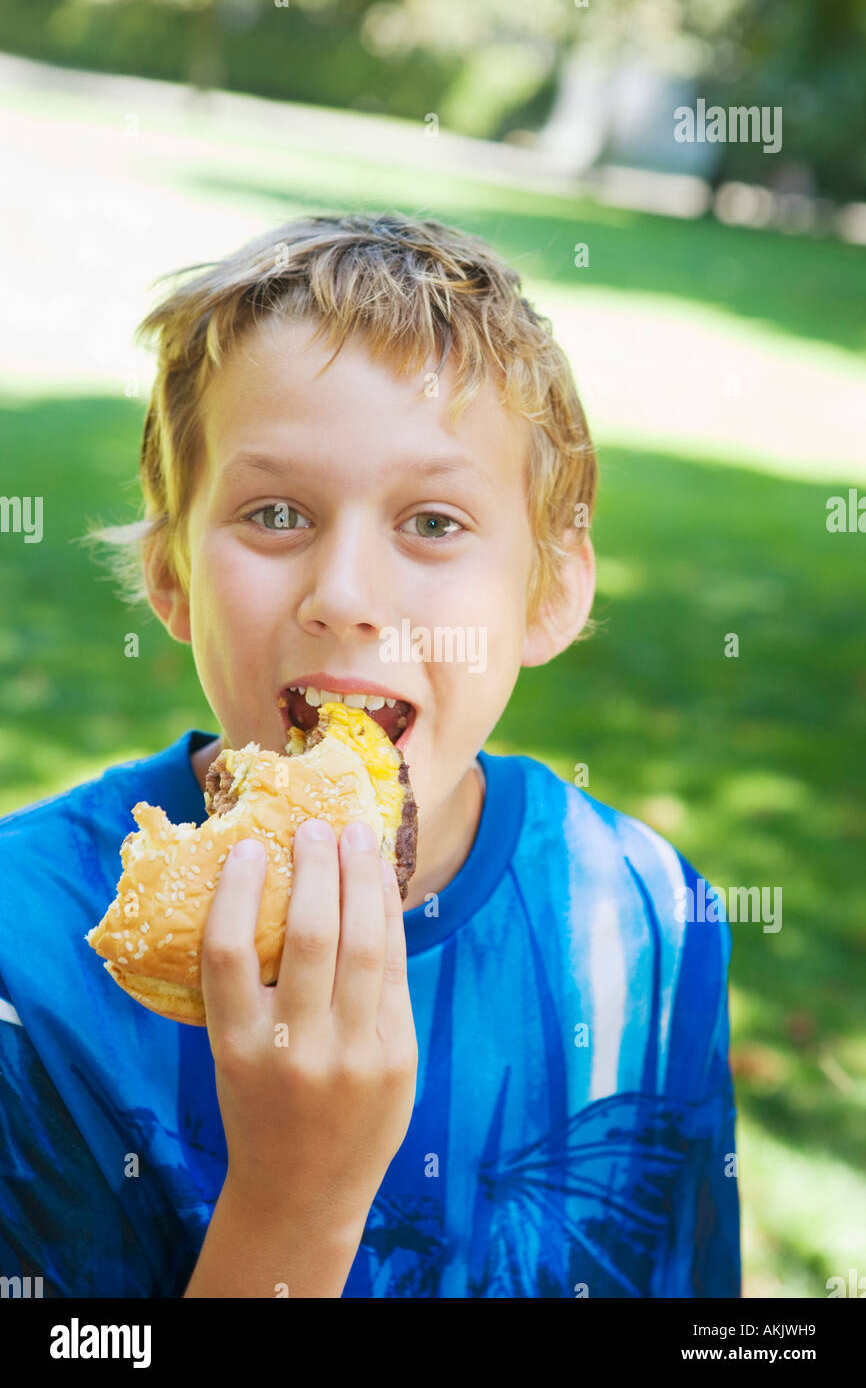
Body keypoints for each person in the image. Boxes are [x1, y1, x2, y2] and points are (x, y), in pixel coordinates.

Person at [0, 212, 740, 1298]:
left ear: (548, 591)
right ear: (169, 575)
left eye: (433, 522)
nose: (344, 596)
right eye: (276, 511)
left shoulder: (644, 922)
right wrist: (295, 1204)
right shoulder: (28, 963)